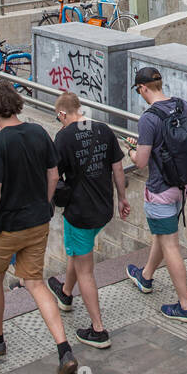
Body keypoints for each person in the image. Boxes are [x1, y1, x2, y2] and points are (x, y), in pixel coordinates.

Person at [0, 83, 78, 374]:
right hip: (38, 221)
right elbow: (53, 175)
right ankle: (63, 348)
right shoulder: (39, 132)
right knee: (36, 282)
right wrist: (45, 201)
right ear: (16, 105)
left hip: (7, 226)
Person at [46, 91, 130, 348]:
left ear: (62, 113)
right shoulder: (104, 130)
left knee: (85, 269)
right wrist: (123, 199)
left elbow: (52, 176)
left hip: (80, 213)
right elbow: (118, 167)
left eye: (58, 117)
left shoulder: (62, 137)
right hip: (103, 209)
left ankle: (98, 329)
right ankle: (66, 293)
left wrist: (46, 202)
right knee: (79, 252)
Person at [126, 68, 187, 322]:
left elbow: (142, 162)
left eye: (138, 91)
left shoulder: (148, 119)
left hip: (160, 189)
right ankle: (145, 276)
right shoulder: (183, 106)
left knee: (170, 244)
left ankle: (185, 305)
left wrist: (130, 151)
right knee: (163, 233)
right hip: (182, 185)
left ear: (143, 88)